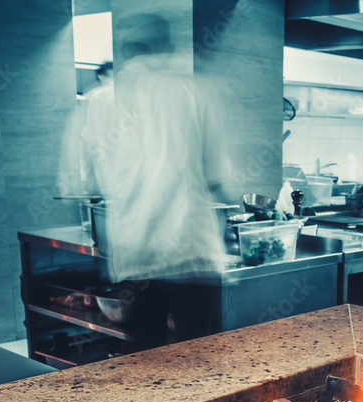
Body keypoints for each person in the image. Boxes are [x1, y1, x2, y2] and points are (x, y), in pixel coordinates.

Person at [60, 13, 234, 344]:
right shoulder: (194, 91)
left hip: (133, 255)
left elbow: (79, 182)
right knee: (202, 359)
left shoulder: (99, 101)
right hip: (190, 254)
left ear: (127, 48)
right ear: (166, 43)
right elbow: (216, 174)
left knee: (144, 362)